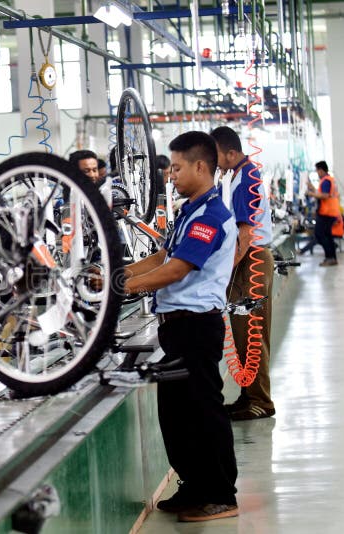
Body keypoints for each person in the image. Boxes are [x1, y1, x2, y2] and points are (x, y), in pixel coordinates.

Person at [122, 131, 239, 522]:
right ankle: (194, 486)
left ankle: (220, 493)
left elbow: (177, 269)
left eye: (175, 167)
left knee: (204, 410)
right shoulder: (189, 210)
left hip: (196, 327)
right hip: (174, 327)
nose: (169, 175)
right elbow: (163, 254)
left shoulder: (212, 216)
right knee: (176, 415)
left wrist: (124, 288)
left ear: (200, 167)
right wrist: (119, 273)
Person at [210, 126, 276, 421]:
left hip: (252, 261)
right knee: (247, 332)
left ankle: (260, 401)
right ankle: (250, 394)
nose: (213, 160)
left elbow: (245, 234)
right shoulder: (235, 176)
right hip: (251, 261)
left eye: (216, 154)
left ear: (231, 153)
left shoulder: (245, 178)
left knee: (249, 333)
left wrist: (224, 270)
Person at [306, 161, 341, 266]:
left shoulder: (326, 181)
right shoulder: (329, 180)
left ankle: (329, 256)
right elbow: (324, 193)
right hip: (331, 211)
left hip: (326, 212)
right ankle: (332, 257)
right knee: (328, 236)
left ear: (321, 170)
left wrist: (311, 193)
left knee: (319, 234)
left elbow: (325, 196)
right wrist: (314, 189)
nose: (317, 173)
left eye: (317, 171)